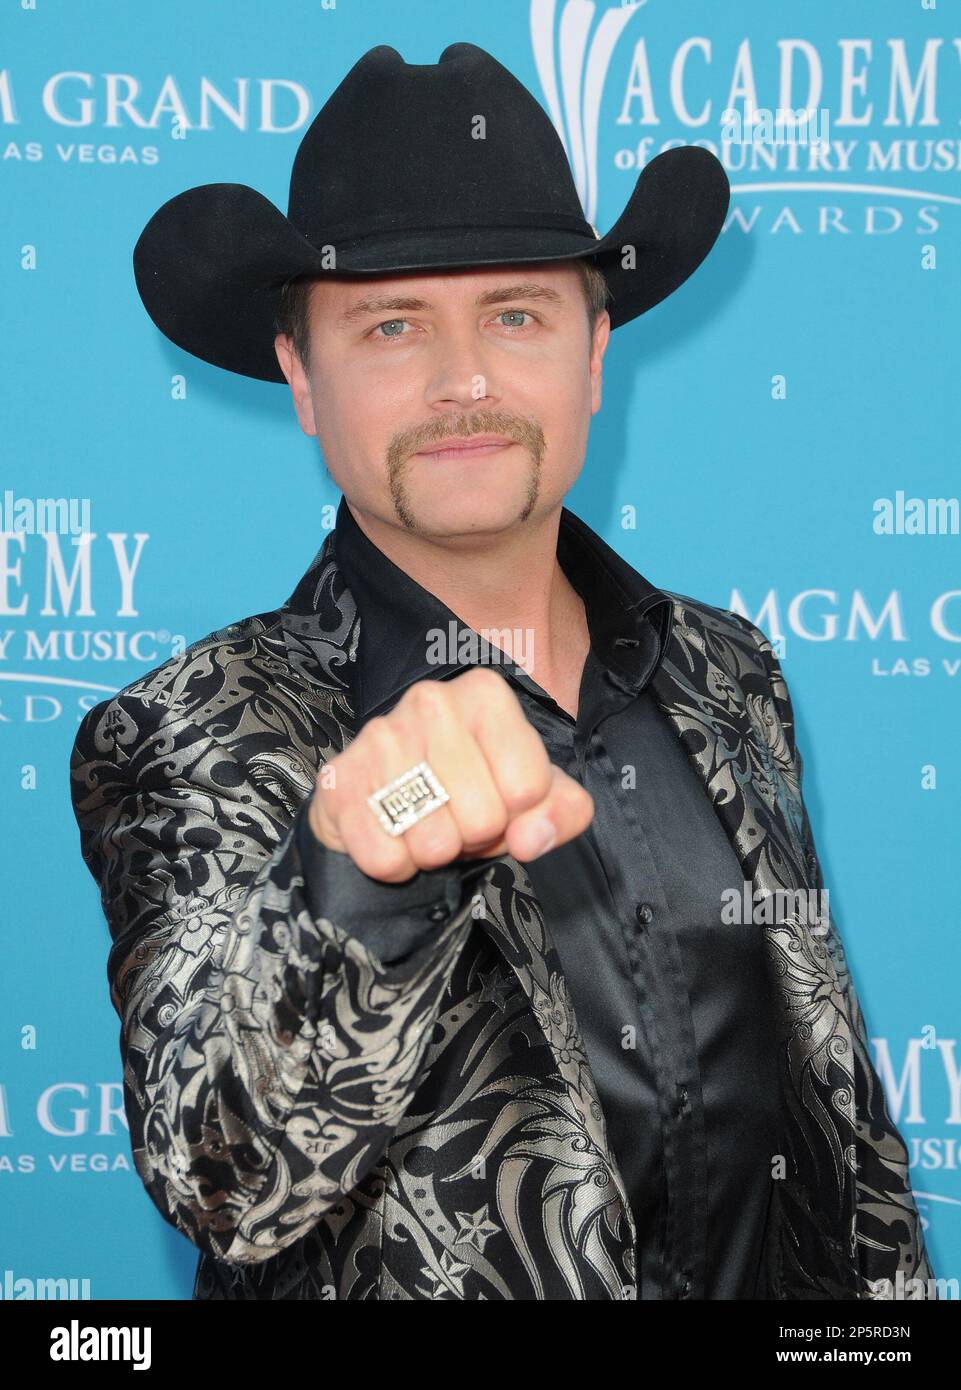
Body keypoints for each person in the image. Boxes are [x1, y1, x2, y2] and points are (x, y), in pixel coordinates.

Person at [70, 42, 935, 1301]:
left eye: (515, 314)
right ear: (303, 381)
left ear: (594, 355)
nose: (463, 378)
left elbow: (836, 1136)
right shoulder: (189, 729)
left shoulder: (730, 672)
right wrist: (364, 870)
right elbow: (221, 1177)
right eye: (391, 324)